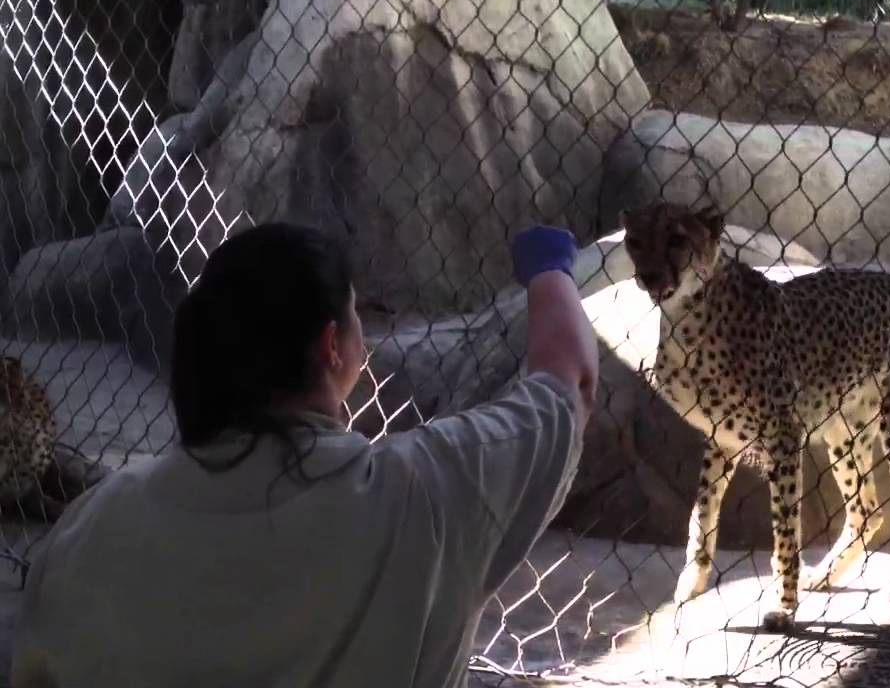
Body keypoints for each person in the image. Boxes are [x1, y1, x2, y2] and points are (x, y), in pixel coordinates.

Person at [10, 221, 598, 687]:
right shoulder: (427, 491)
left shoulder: (90, 527)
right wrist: (548, 266)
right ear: (331, 346)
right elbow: (568, 384)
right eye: (358, 314)